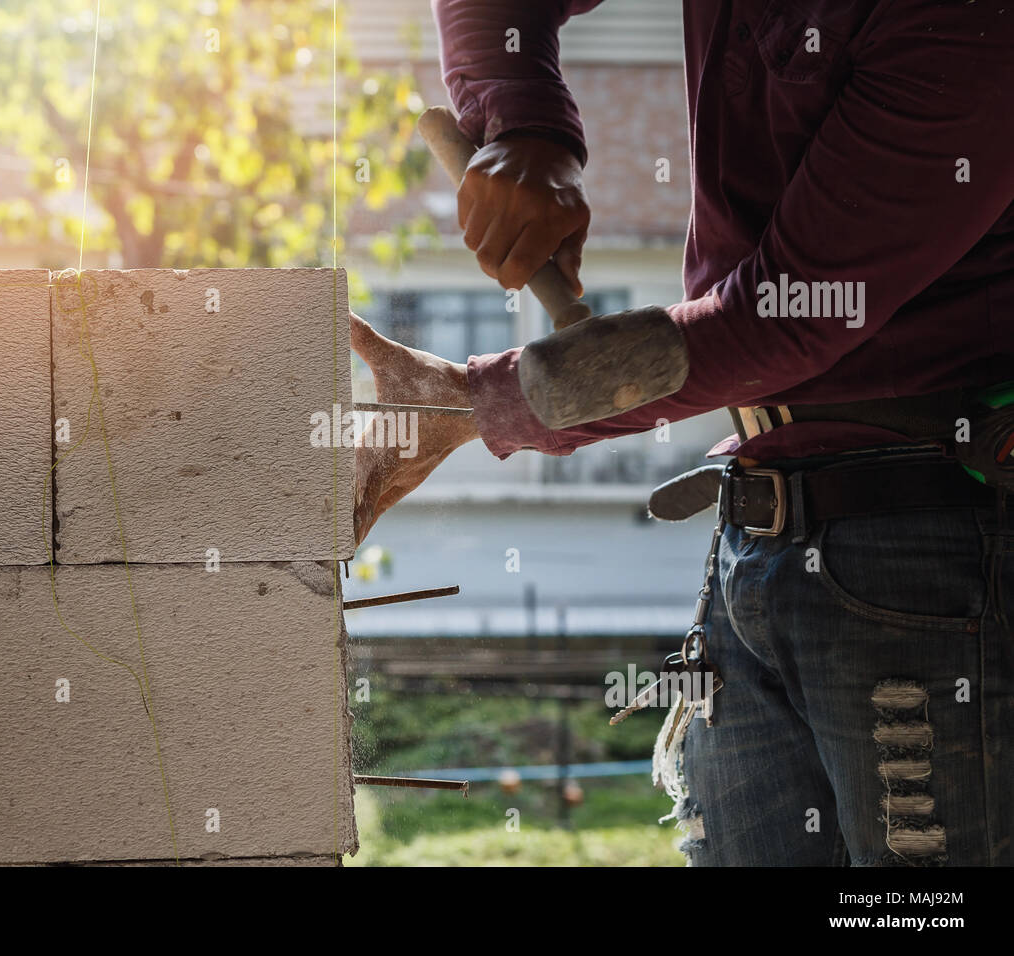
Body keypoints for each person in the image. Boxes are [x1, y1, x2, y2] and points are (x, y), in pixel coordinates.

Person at [351, 0, 1014, 865]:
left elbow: (779, 322)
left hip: (928, 540)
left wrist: (478, 402)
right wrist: (525, 124)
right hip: (758, 521)